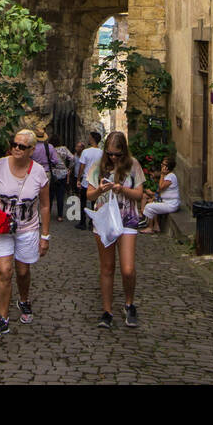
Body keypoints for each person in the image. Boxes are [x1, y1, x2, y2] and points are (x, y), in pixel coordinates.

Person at [0, 128, 50, 337]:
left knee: (22, 271)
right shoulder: (0, 165)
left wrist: (45, 236)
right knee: (5, 271)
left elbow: (44, 206)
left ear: (31, 150)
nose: (16, 148)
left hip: (28, 229)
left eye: (22, 146)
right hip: (1, 227)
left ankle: (23, 300)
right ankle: (3, 318)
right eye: (14, 144)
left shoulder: (39, 173)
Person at [85, 130, 144, 328]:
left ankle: (129, 303)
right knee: (107, 267)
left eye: (117, 154)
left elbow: (139, 194)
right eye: (110, 153)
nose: (113, 158)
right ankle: (107, 311)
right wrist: (100, 189)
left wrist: (122, 189)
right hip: (105, 222)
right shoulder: (97, 167)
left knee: (127, 269)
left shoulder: (133, 165)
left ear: (124, 153)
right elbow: (89, 196)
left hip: (127, 219)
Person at [138, 154, 180, 234]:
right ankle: (155, 226)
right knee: (152, 202)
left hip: (171, 204)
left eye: (163, 164)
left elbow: (161, 187)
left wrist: (162, 174)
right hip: (167, 202)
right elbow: (159, 190)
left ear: (167, 167)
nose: (161, 165)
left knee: (149, 206)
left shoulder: (171, 176)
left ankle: (150, 228)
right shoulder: (169, 176)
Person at [74, 130, 103, 230]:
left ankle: (82, 222)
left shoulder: (86, 152)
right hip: (95, 181)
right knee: (94, 203)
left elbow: (82, 167)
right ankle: (92, 222)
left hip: (86, 180)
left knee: (83, 202)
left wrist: (78, 179)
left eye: (89, 137)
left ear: (92, 139)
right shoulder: (101, 153)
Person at [47, 135, 74, 223]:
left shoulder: (49, 148)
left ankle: (48, 213)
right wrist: (69, 168)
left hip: (52, 172)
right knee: (60, 195)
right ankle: (59, 216)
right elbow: (72, 158)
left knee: (50, 195)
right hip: (62, 173)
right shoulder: (64, 149)